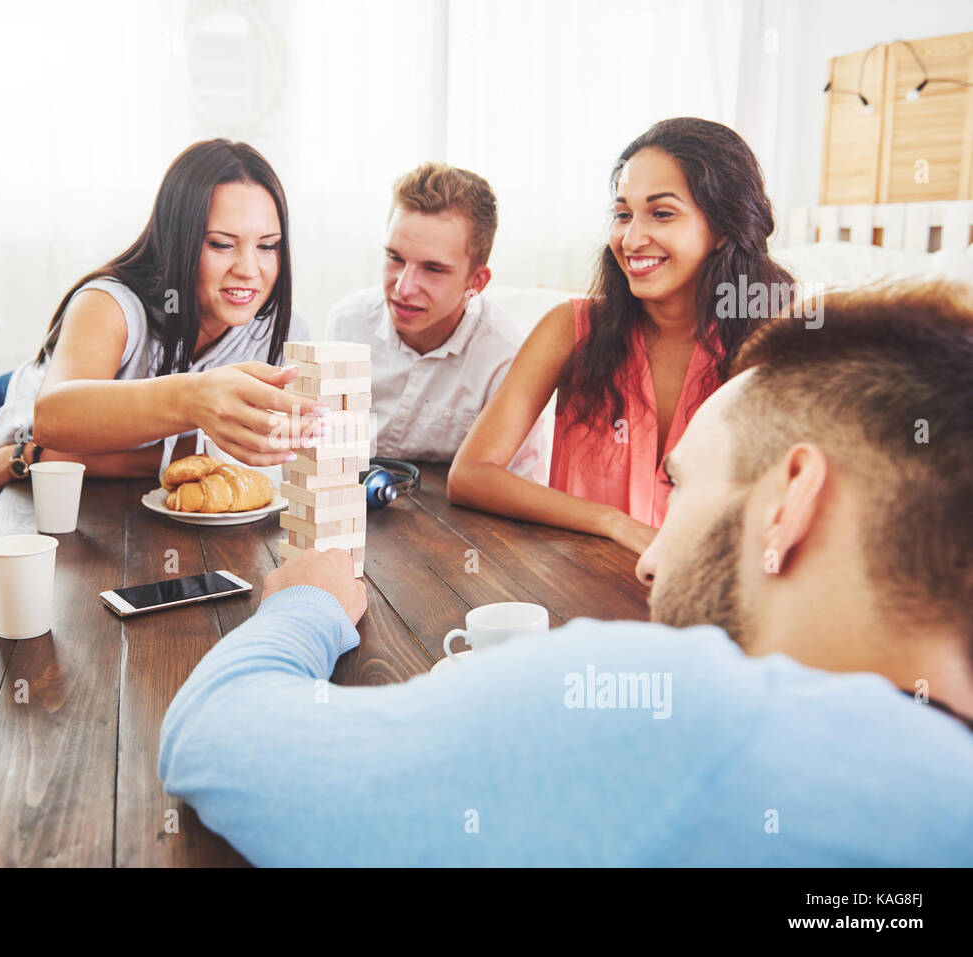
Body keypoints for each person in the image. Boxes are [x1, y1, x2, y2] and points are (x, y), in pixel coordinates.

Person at [158, 281, 973, 866]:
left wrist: (304, 603)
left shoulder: (684, 719)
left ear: (790, 500)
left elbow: (213, 733)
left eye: (682, 486)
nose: (650, 557)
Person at [448, 118, 796, 554]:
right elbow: (471, 475)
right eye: (623, 214)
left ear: (723, 228)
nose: (631, 239)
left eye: (662, 213)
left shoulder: (776, 342)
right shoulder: (569, 329)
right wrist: (613, 523)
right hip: (581, 597)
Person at [0, 139, 321, 526]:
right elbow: (52, 422)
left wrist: (42, 457)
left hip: (71, 454)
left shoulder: (284, 330)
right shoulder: (110, 303)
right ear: (178, 238)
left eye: (268, 246)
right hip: (5, 429)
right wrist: (23, 457)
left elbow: (201, 456)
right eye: (221, 244)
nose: (248, 268)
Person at [324, 162, 544, 465]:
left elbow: (518, 485)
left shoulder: (505, 361)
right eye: (395, 258)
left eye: (433, 269)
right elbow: (321, 455)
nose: (403, 287)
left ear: (475, 282)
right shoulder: (347, 325)